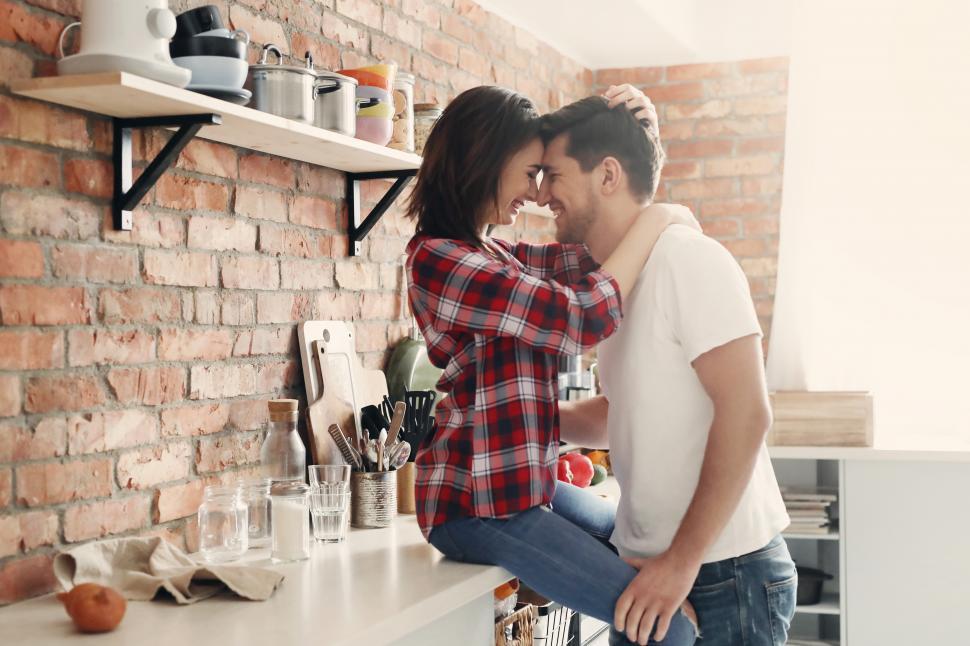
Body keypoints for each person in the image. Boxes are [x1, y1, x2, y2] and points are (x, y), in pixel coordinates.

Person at [404, 84, 699, 644]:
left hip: (520, 486)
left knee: (645, 551)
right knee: (666, 627)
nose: (537, 193)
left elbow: (605, 243)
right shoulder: (439, 260)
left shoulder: (496, 254)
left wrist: (646, 149)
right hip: (477, 506)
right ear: (484, 160)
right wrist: (660, 218)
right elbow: (579, 316)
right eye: (531, 172)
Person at [542, 96, 796, 646]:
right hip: (651, 569)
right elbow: (621, 412)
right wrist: (533, 419)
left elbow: (748, 413)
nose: (542, 194)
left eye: (554, 175)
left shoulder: (689, 259)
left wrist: (681, 563)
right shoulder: (618, 281)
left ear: (607, 175)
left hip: (722, 573)